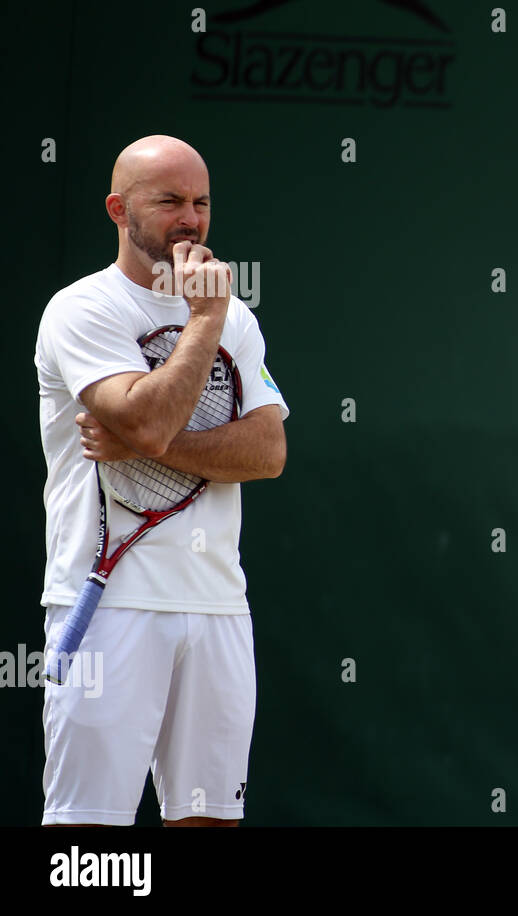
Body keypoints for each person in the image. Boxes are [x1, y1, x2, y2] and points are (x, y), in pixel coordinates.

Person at [35, 135, 289, 826]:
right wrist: (203, 321)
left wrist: (148, 440)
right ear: (120, 209)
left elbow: (267, 452)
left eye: (201, 203)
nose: (191, 219)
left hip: (218, 609)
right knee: (89, 837)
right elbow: (146, 422)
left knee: (209, 820)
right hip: (108, 607)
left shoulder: (238, 316)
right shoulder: (82, 310)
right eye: (169, 200)